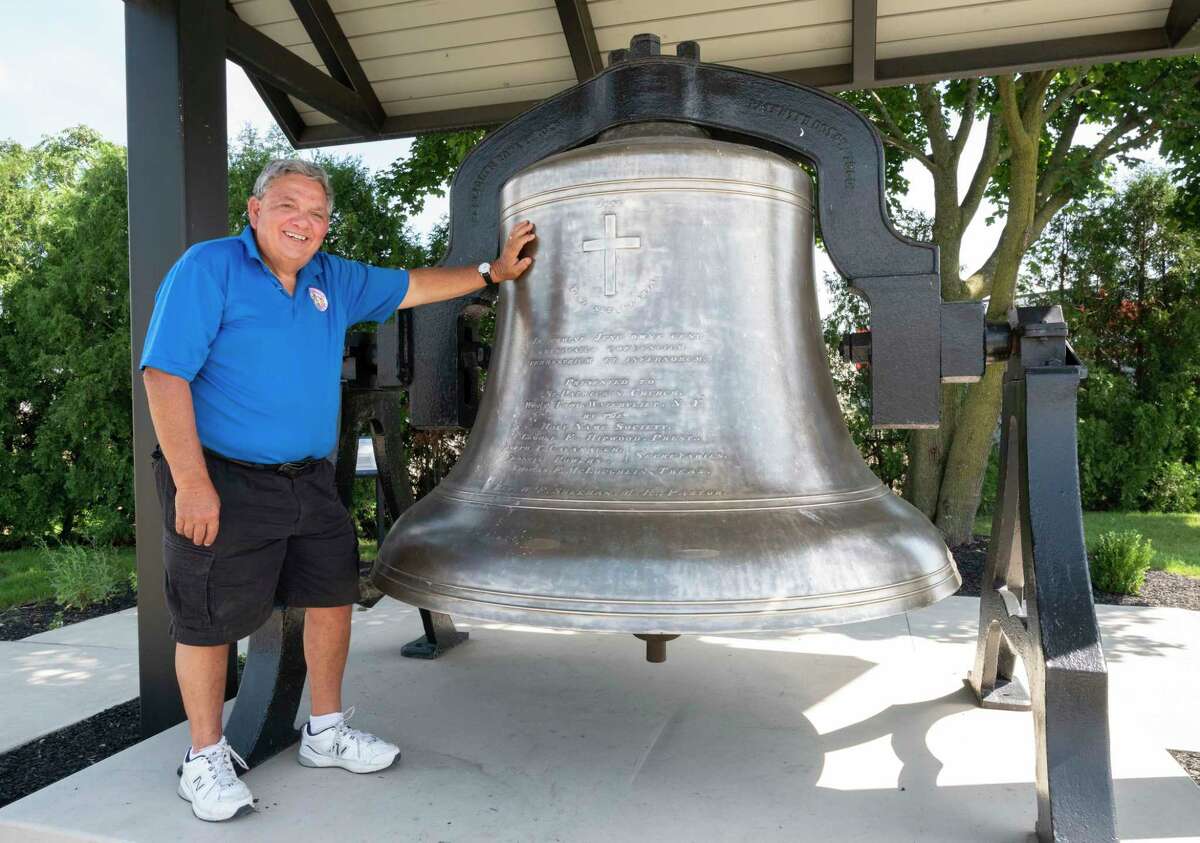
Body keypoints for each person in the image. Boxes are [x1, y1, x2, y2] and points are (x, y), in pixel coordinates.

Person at [140, 159, 535, 822]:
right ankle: (203, 756)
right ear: (255, 209)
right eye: (289, 205)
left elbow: (413, 285)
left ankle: (324, 732)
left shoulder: (335, 279)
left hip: (310, 476)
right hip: (221, 477)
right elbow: (163, 376)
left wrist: (491, 273)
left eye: (318, 212)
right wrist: (192, 482)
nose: (305, 221)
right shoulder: (208, 270)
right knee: (207, 620)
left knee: (331, 597)